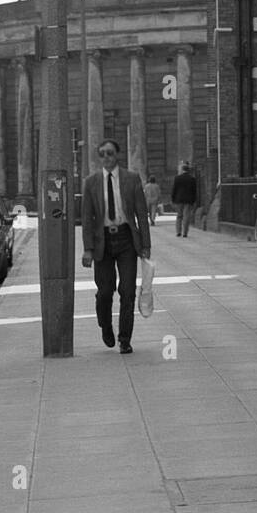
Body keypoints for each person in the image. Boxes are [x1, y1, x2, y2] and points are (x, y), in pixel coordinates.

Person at [81, 139, 151, 353]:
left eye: (110, 153)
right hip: (103, 241)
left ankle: (125, 339)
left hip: (126, 240)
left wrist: (145, 246)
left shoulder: (131, 179)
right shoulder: (91, 182)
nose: (106, 157)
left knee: (127, 291)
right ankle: (105, 326)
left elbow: (141, 214)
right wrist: (87, 249)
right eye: (102, 154)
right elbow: (87, 218)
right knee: (105, 291)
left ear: (117, 155)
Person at [171, 161, 198, 238]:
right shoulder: (192, 179)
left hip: (179, 199)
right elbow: (194, 191)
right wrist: (194, 200)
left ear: (182, 170)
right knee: (186, 216)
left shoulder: (177, 178)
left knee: (179, 216)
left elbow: (174, 189)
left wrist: (173, 199)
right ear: (188, 170)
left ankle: (178, 232)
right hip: (189, 200)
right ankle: (185, 233)